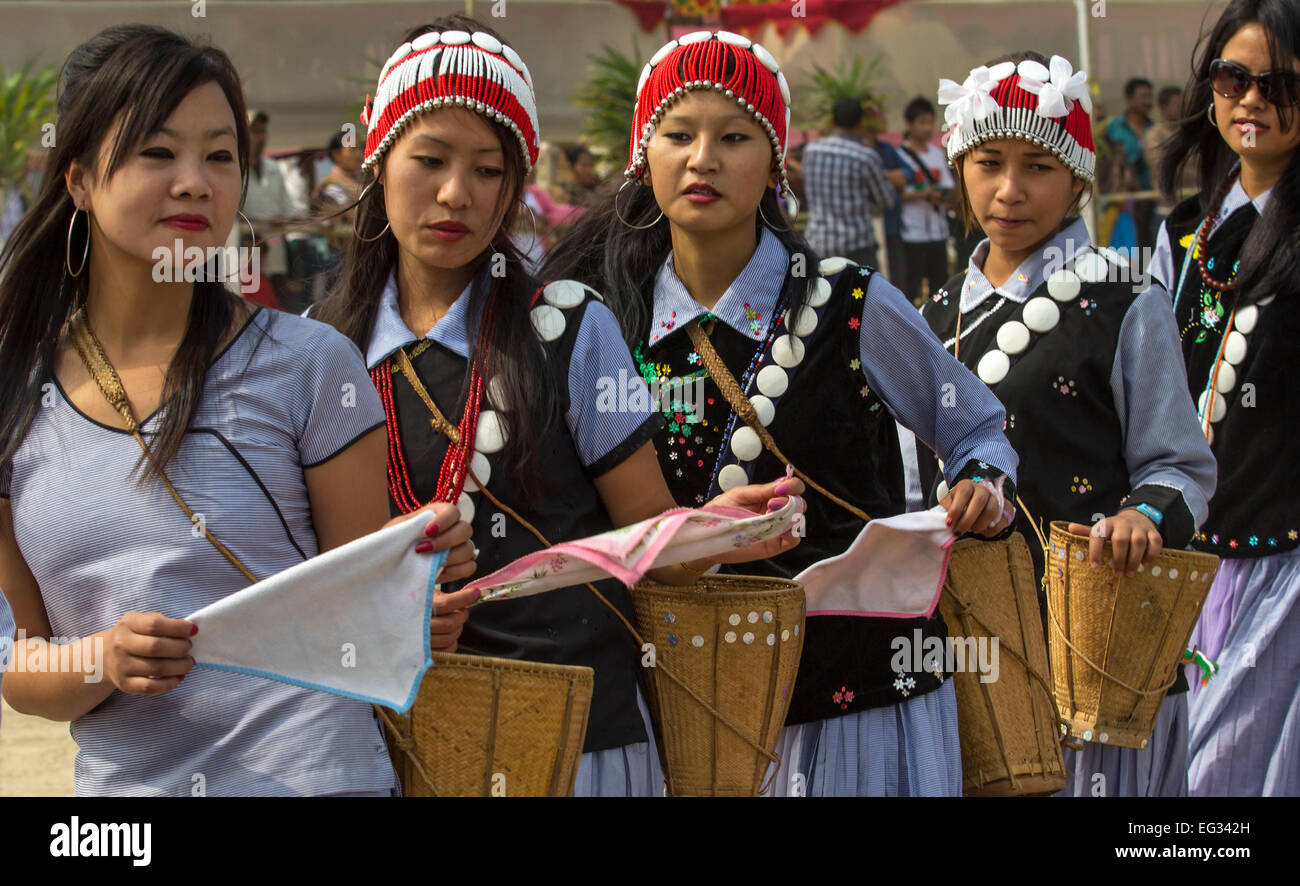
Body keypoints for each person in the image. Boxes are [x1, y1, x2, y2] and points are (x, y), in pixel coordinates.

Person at [311, 17, 806, 798]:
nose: (455, 194)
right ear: (379, 161)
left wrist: (717, 530)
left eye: (487, 170)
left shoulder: (570, 325)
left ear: (514, 186)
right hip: (397, 744)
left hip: (583, 742)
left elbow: (644, 540)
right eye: (430, 160)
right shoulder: (319, 353)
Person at [0, 24, 475, 796]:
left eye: (220, 156)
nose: (194, 182)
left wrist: (411, 569)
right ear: (80, 180)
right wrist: (103, 658)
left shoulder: (310, 363)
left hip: (320, 777)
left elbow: (353, 612)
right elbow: (20, 662)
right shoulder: (15, 394)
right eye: (158, 152)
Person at [544, 30, 1021, 797]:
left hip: (857, 700)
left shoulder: (851, 302)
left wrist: (983, 485)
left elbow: (973, 426)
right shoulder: (607, 328)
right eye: (679, 135)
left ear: (775, 163)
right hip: (693, 709)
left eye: (734, 137)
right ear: (644, 155)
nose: (703, 159)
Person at [925, 51, 1217, 797]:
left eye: (1039, 166)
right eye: (988, 162)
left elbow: (1178, 466)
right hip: (971, 651)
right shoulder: (927, 321)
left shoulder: (1125, 302)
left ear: (1080, 179)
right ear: (960, 167)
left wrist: (1141, 516)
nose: (1010, 190)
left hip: (1100, 643)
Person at [1148, 0, 1300, 797]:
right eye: (1234, 77)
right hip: (1188, 563)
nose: (1253, 99)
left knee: (1230, 778)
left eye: (1281, 84)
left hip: (1283, 560)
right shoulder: (1188, 231)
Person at [801, 97, 896, 267]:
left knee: (823, 294)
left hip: (817, 246)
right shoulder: (865, 157)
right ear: (860, 123)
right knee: (861, 294)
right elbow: (886, 200)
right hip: (856, 250)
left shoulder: (810, 151)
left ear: (832, 119)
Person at [896, 97, 953, 304]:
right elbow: (896, 195)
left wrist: (942, 197)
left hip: (938, 230)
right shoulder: (899, 155)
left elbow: (947, 186)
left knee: (940, 286)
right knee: (912, 286)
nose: (928, 128)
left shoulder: (937, 154)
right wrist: (924, 195)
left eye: (930, 122)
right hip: (912, 232)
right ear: (909, 124)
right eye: (922, 122)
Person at [1106, 78, 1156, 248]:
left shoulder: (1155, 129)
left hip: (1151, 199)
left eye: (1149, 96)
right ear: (1128, 99)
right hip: (1125, 203)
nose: (1147, 101)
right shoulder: (1113, 129)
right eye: (1142, 96)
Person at [866, 103, 909, 280]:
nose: (882, 119)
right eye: (875, 114)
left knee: (896, 279)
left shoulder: (886, 149)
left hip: (892, 224)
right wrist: (890, 178)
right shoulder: (856, 151)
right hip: (864, 232)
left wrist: (879, 175)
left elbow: (908, 174)